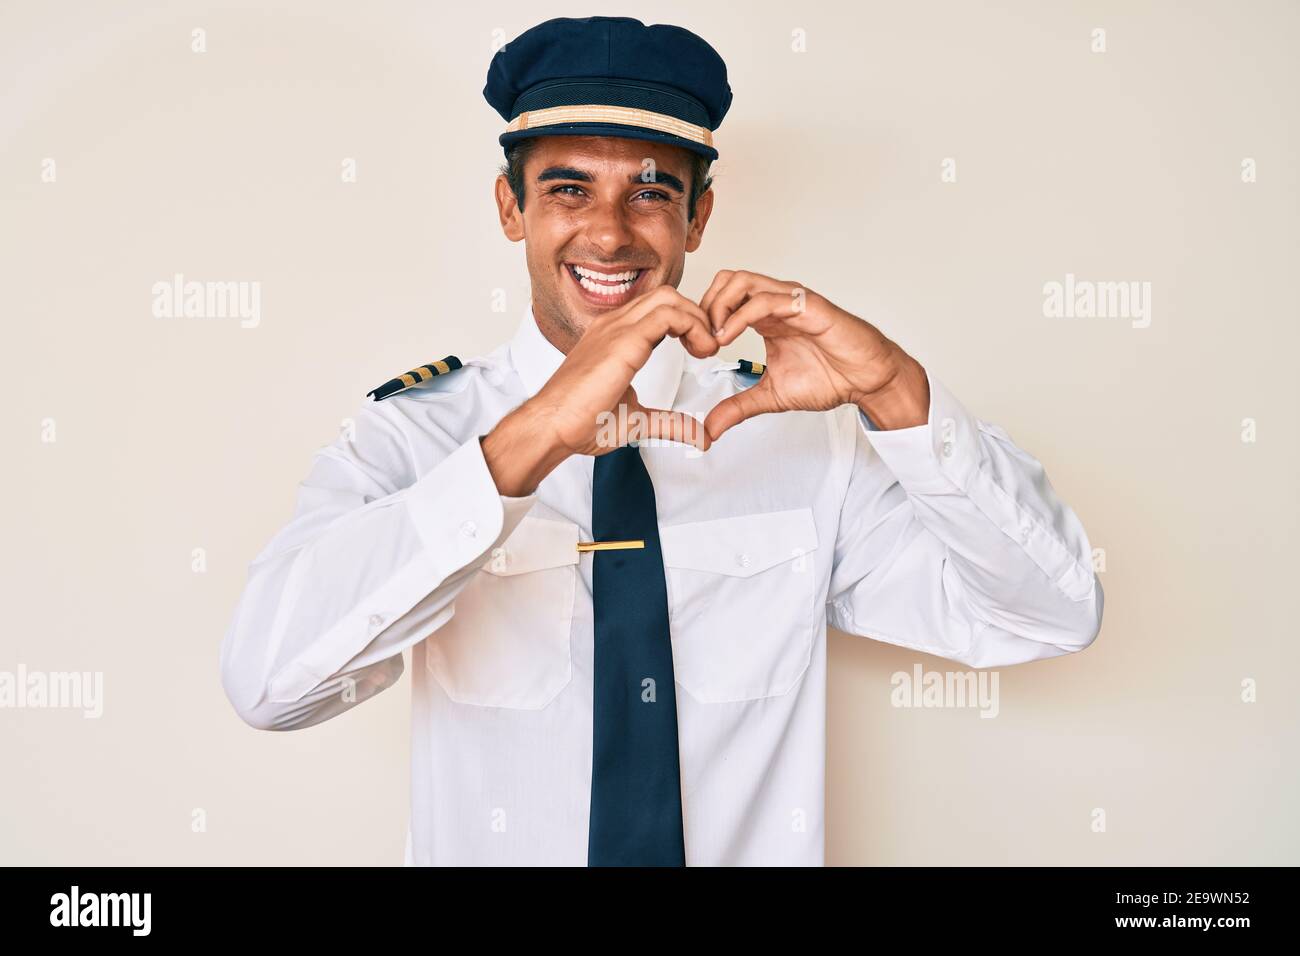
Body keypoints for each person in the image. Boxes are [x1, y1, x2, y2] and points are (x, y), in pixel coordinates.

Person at [219, 15, 1104, 866]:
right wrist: (524, 445)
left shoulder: (798, 443)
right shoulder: (414, 433)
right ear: (510, 207)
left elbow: (1052, 613)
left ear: (699, 218)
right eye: (568, 188)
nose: (608, 233)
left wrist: (895, 391)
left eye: (650, 192)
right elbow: (269, 688)